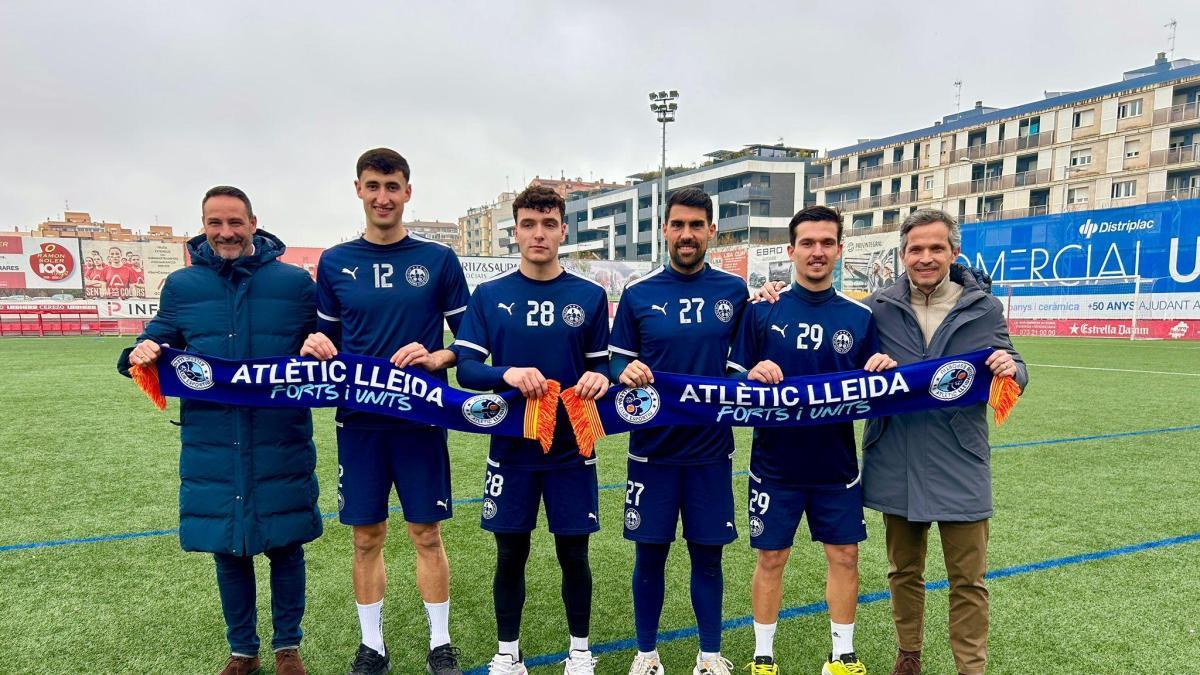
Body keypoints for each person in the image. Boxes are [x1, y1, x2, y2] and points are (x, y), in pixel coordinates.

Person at [117, 185, 320, 675]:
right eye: (215, 223)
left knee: (285, 544)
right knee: (228, 549)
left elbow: (324, 339)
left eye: (234, 222)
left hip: (279, 436)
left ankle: (287, 647)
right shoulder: (182, 286)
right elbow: (152, 343)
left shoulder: (295, 283)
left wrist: (318, 343)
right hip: (212, 440)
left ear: (253, 223)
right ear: (203, 226)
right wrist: (138, 353)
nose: (225, 232)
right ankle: (243, 651)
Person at [299, 148, 469, 675]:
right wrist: (314, 345)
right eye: (373, 186)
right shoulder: (335, 262)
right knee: (365, 536)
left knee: (426, 534)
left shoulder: (438, 260)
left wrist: (438, 356)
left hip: (421, 421)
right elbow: (324, 341)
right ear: (358, 190)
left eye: (392, 187)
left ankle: (440, 643)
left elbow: (470, 342)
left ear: (407, 192)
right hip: (360, 422)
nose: (382, 197)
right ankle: (372, 645)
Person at [727, 206, 896, 675]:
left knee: (845, 556)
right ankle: (763, 656)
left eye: (826, 243)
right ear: (791, 250)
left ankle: (842, 655)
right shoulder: (762, 310)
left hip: (835, 465)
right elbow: (731, 380)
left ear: (839, 250)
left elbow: (875, 384)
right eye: (807, 243)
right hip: (774, 465)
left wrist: (881, 369)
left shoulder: (859, 316)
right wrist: (752, 373)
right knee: (771, 558)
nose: (816, 251)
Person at [451, 185, 611, 675]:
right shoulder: (490, 296)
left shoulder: (589, 296)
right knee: (510, 553)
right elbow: (466, 370)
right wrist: (508, 373)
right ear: (515, 233)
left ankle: (579, 651)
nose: (538, 234)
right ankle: (508, 654)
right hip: (512, 449)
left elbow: (602, 369)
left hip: (571, 448)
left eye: (548, 224)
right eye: (528, 225)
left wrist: (600, 378)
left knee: (574, 553)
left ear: (563, 231)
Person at [862, 209, 1027, 675]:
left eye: (936, 248)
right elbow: (844, 359)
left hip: (961, 459)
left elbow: (1015, 365)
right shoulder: (876, 308)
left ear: (954, 252)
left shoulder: (984, 308)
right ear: (903, 255)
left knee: (969, 580)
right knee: (903, 572)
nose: (926, 257)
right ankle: (908, 656)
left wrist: (1011, 370)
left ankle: (970, 668)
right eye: (916, 249)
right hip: (896, 456)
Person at [609, 187, 749, 675]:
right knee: (649, 557)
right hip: (652, 451)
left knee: (708, 558)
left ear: (712, 231)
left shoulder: (734, 291)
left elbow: (741, 365)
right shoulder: (639, 293)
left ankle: (709, 656)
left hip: (711, 450)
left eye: (696, 225)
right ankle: (646, 654)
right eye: (678, 225)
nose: (686, 234)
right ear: (664, 230)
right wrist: (623, 372)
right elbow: (615, 363)